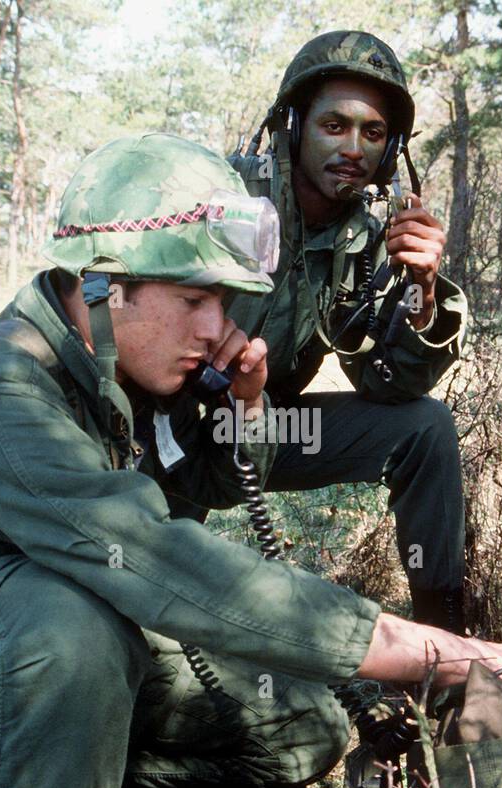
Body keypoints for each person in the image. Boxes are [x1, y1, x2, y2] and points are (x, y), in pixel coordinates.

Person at [0, 133, 502, 788]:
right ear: (102, 283)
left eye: (223, 302)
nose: (214, 328)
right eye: (193, 298)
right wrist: (393, 643)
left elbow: (214, 486)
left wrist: (246, 406)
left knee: (304, 724)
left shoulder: (121, 368)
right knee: (64, 626)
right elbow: (156, 559)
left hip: (68, 629)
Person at [186, 30, 470, 634]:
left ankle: (444, 644)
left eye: (373, 133)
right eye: (334, 126)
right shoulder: (219, 193)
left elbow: (389, 385)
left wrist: (421, 288)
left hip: (271, 429)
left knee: (426, 428)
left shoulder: (367, 239)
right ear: (294, 126)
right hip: (168, 433)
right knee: (156, 609)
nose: (354, 149)